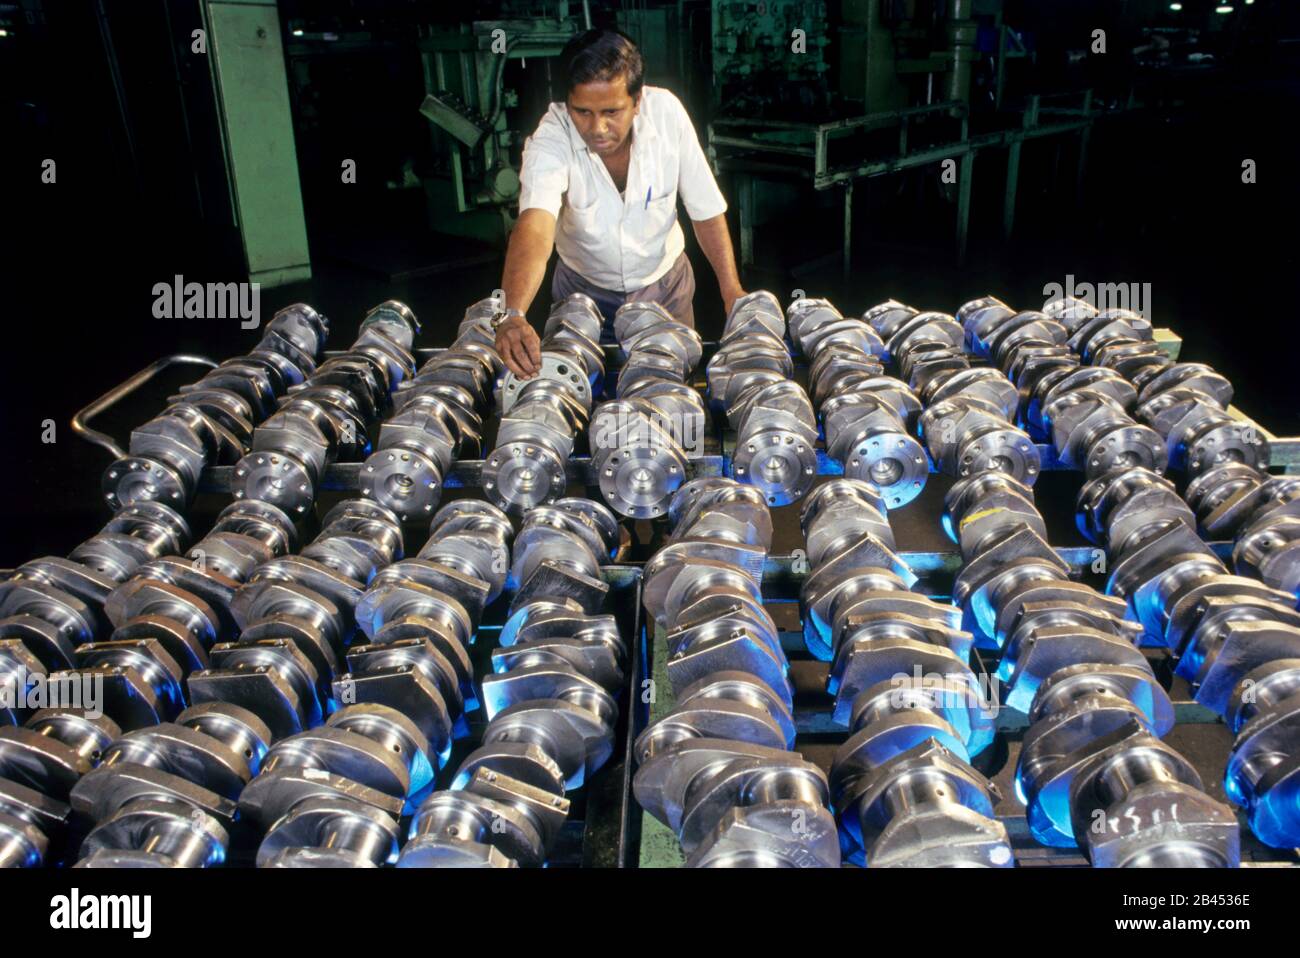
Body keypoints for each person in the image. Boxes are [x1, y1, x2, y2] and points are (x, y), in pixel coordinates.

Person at [491, 28, 747, 379]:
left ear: (637, 101)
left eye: (612, 111)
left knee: (668, 388)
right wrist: (513, 313)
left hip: (665, 289)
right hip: (583, 295)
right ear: (568, 103)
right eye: (583, 112)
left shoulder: (667, 115)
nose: (598, 128)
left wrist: (731, 290)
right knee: (582, 390)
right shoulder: (551, 136)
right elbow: (535, 226)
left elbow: (705, 209)